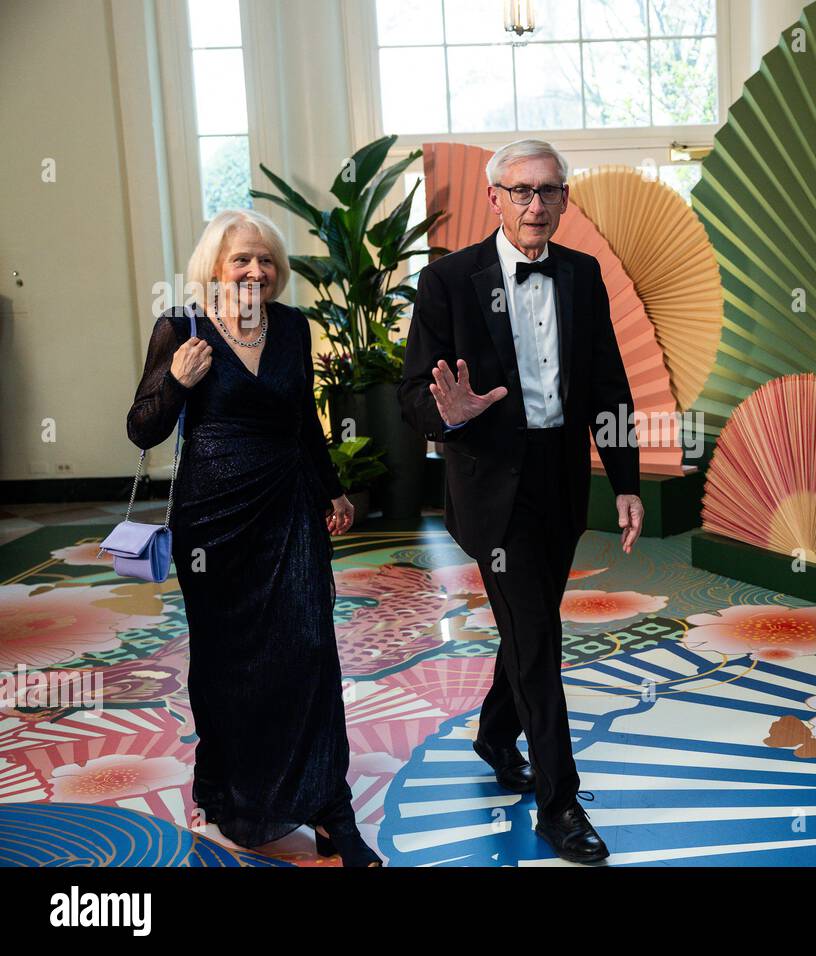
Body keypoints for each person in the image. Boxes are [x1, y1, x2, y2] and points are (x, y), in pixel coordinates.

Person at [398, 139, 644, 864]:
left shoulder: (583, 273)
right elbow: (414, 395)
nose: (537, 205)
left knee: (526, 625)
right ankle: (559, 805)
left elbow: (608, 386)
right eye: (522, 191)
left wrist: (625, 481)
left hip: (560, 481)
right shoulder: (446, 281)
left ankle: (494, 733)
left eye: (550, 192)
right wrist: (454, 413)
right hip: (492, 488)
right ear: (494, 198)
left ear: (565, 200)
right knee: (538, 639)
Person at [126, 208, 380, 866]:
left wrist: (333, 489)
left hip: (289, 510)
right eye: (242, 259)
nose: (256, 270)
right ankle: (230, 799)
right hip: (213, 524)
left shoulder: (293, 327)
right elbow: (141, 429)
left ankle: (330, 811)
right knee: (226, 665)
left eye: (266, 260)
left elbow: (304, 423)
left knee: (310, 653)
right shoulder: (181, 327)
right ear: (215, 266)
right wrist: (178, 382)